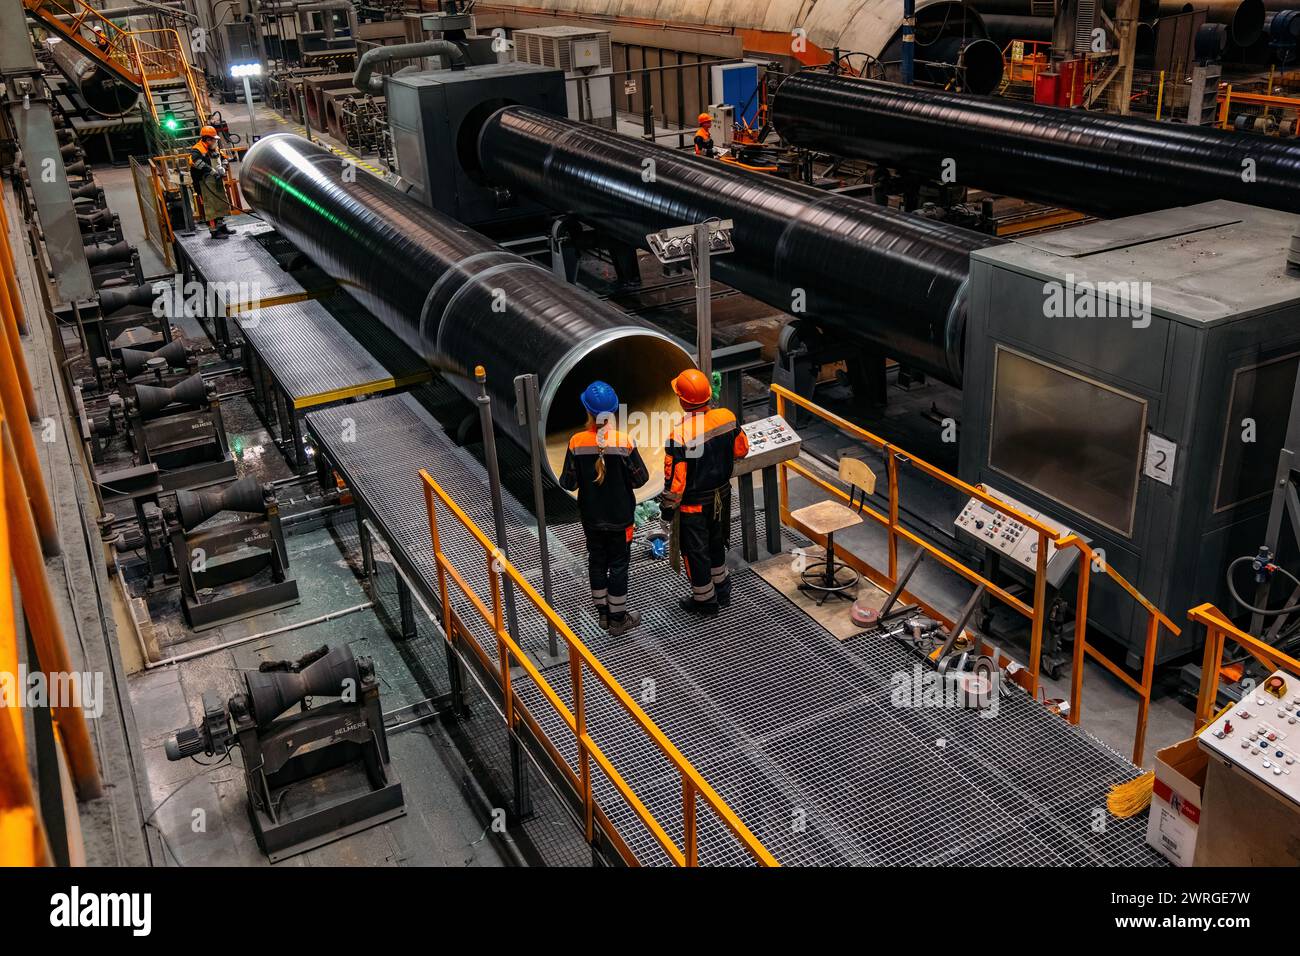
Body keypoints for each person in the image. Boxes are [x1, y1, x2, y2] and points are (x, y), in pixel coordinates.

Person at [559, 381, 650, 636]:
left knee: (597, 561)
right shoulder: (624, 442)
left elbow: (568, 482)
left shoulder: (576, 442)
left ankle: (602, 614)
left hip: (592, 518)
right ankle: (618, 618)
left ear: (586, 411)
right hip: (621, 519)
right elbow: (640, 478)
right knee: (619, 564)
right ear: (613, 413)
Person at [660, 368, 748, 616]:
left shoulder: (679, 436)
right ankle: (723, 590)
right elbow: (741, 450)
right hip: (722, 497)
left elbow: (676, 482)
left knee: (695, 552)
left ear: (682, 400)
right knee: (716, 541)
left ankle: (705, 602)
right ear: (709, 395)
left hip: (693, 507)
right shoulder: (727, 418)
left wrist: (667, 510)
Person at [190, 125, 233, 239]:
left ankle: (222, 227)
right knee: (210, 207)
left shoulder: (213, 147)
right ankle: (214, 232)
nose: (215, 141)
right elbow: (195, 162)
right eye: (213, 139)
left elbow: (224, 157)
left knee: (221, 203)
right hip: (204, 184)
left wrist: (223, 166)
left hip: (216, 182)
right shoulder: (197, 150)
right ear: (207, 139)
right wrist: (211, 170)